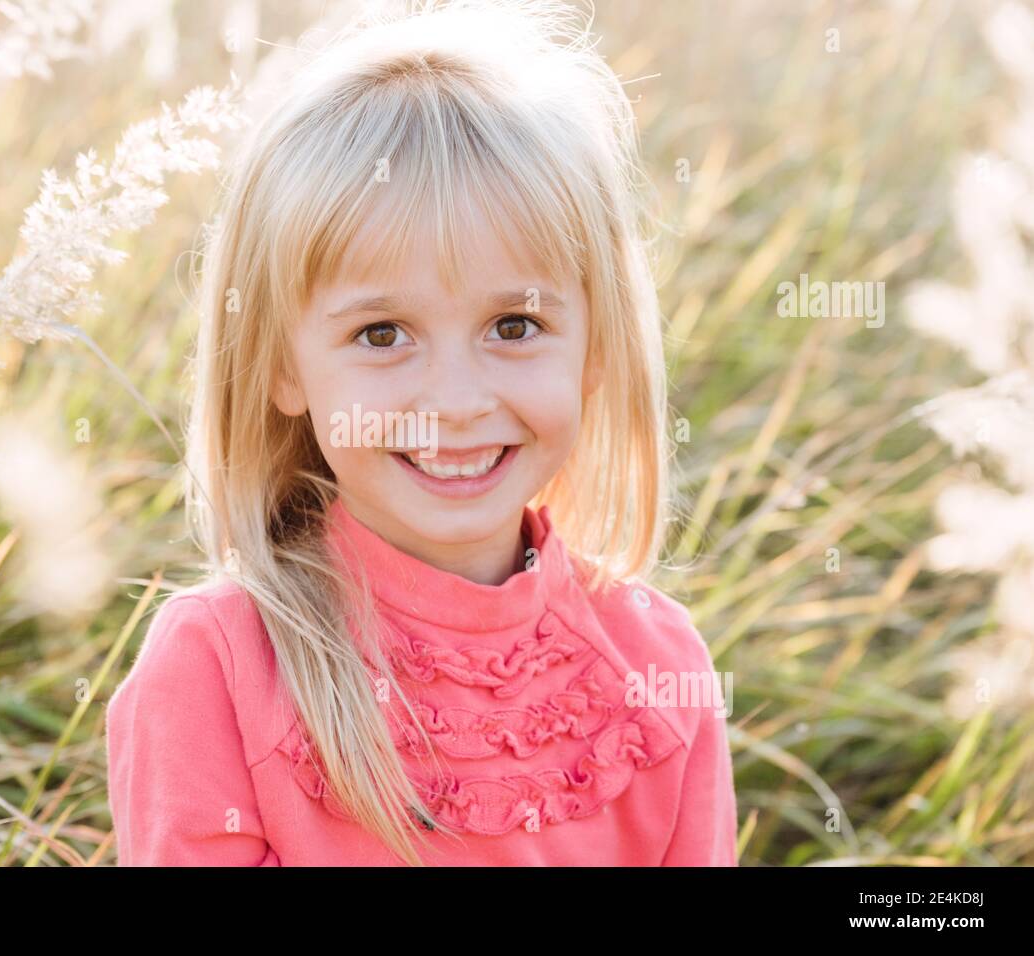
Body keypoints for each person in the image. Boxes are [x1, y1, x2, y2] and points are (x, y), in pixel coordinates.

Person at [106, 0, 737, 866]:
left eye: (514, 326)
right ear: (284, 366)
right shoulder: (217, 671)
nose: (455, 400)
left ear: (599, 345)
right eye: (381, 334)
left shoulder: (660, 667)